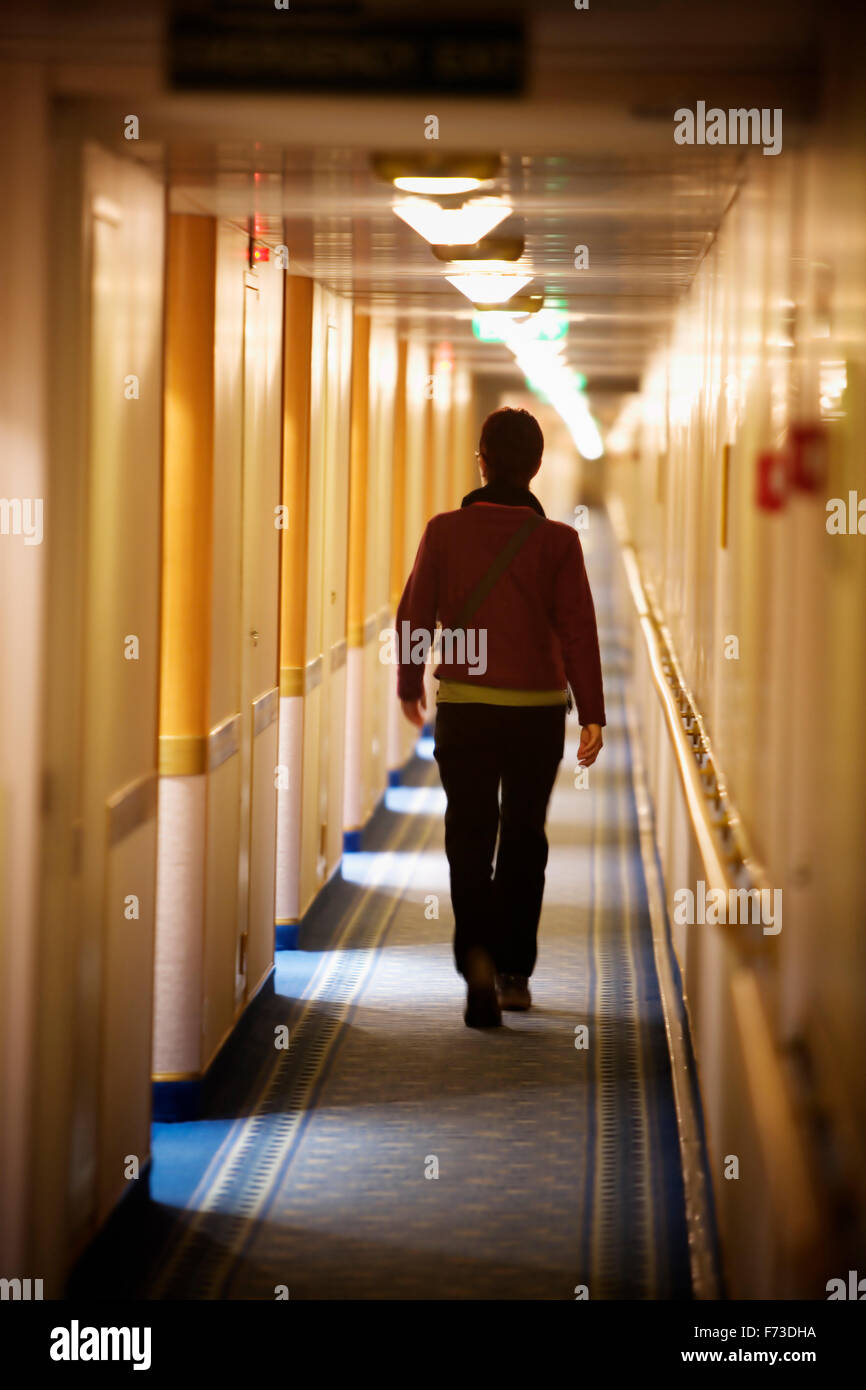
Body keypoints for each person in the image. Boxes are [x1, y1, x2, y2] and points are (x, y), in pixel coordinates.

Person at [396, 406, 605, 1028]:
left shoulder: (444, 531)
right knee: (522, 837)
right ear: (537, 468)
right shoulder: (560, 543)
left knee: (468, 834)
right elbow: (578, 630)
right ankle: (514, 972)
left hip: (465, 709)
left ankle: (478, 961)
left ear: (481, 460)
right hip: (537, 713)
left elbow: (413, 618)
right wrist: (592, 711)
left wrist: (411, 683)